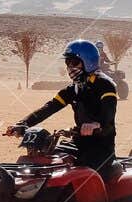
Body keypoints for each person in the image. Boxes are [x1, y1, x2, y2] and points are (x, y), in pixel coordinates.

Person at [6, 39, 117, 169]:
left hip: (101, 147)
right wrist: (23, 123)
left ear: (88, 62)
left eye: (74, 62)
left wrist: (97, 124)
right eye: (67, 62)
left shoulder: (105, 85)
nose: (70, 67)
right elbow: (49, 107)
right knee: (48, 160)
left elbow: (108, 115)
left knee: (82, 172)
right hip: (77, 143)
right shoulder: (74, 89)